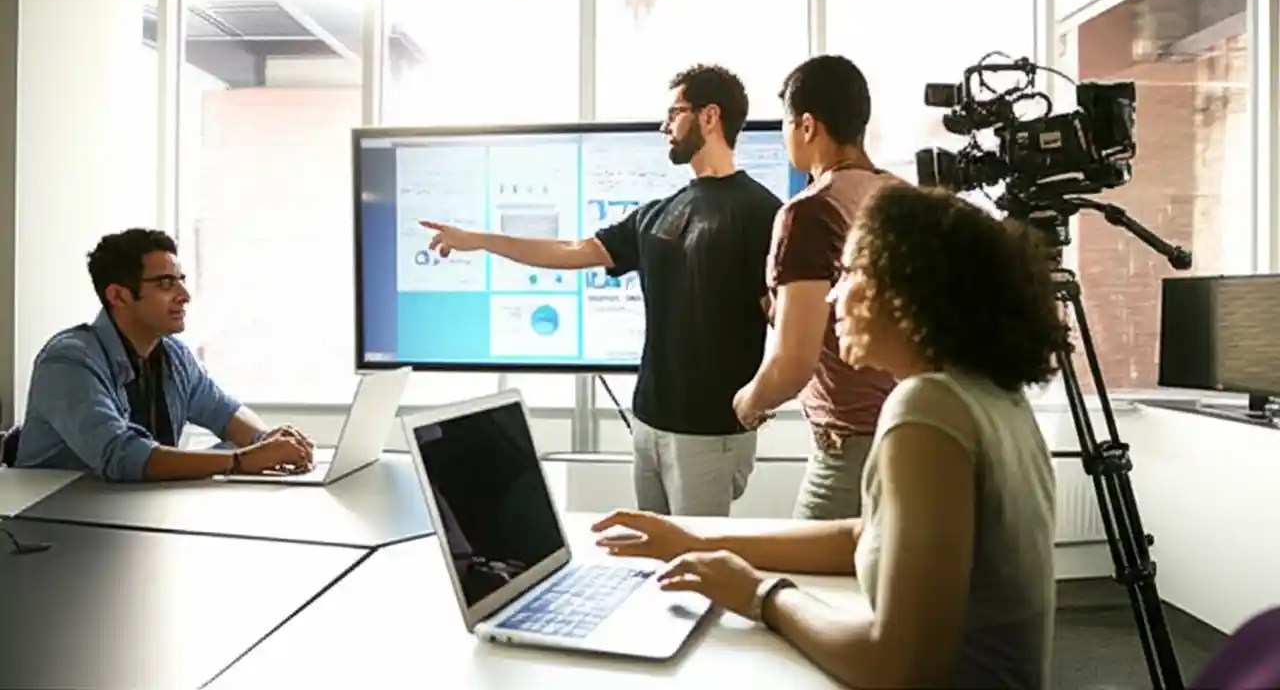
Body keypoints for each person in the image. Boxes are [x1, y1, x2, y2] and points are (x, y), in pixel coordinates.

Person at [594, 184, 1065, 688]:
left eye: (848, 273)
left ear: (907, 290)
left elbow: (899, 668)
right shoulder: (992, 397)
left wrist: (760, 594)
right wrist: (695, 539)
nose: (833, 295)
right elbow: (863, 536)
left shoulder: (930, 407)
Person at [422, 64, 782, 517]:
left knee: (697, 567)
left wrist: (764, 397)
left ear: (710, 116)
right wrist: (480, 240)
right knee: (657, 563)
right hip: (649, 423)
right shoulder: (659, 212)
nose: (664, 127)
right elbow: (573, 250)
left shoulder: (763, 213)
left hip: (711, 432)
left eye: (674, 113)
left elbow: (786, 320)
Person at [733, 54, 898, 520]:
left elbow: (794, 362)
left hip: (850, 453)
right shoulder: (903, 195)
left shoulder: (808, 213)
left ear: (807, 126)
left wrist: (748, 403)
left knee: (813, 589)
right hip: (913, 428)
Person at [16, 229, 315, 481]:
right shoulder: (69, 361)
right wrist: (240, 460)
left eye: (181, 280)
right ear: (118, 295)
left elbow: (224, 412)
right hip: (54, 523)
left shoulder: (173, 355)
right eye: (166, 284)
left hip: (129, 512)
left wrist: (266, 440)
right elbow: (121, 455)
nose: (184, 295)